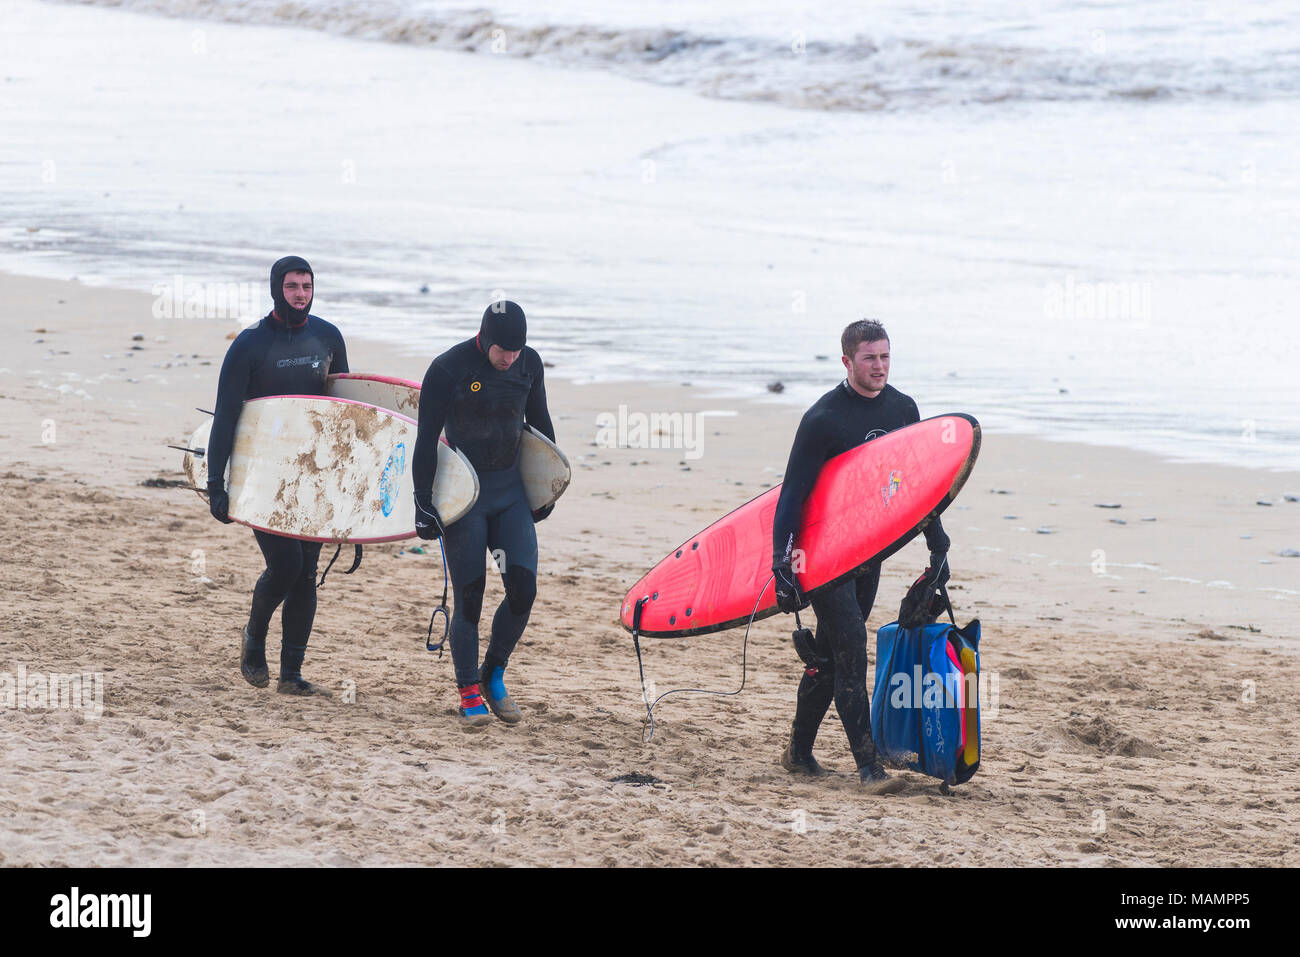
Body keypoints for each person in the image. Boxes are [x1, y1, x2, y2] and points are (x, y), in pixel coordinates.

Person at [770, 319, 951, 794]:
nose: (879, 367)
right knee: (852, 647)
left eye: (885, 356)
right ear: (847, 361)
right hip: (821, 553)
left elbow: (917, 488)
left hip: (867, 552)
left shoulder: (903, 409)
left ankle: (798, 752)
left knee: (829, 657)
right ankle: (869, 767)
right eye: (869, 358)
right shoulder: (823, 419)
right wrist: (782, 562)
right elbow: (792, 496)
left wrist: (938, 545)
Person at [206, 256, 349, 696]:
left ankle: (291, 674)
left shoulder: (327, 337)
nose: (301, 294)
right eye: (292, 286)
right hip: (263, 474)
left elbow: (346, 415)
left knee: (306, 573)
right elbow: (227, 416)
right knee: (285, 564)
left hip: (313, 475)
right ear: (276, 289)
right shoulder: (250, 345)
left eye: (307, 286)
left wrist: (348, 487)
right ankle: (253, 640)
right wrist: (217, 483)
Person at [411, 301, 555, 727]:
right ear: (484, 338)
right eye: (501, 351)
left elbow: (541, 424)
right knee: (469, 598)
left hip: (509, 494)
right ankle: (468, 690)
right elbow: (425, 441)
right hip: (465, 496)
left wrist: (548, 487)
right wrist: (423, 501)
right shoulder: (448, 369)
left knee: (523, 590)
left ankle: (493, 672)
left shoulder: (529, 364)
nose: (509, 359)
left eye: (516, 351)